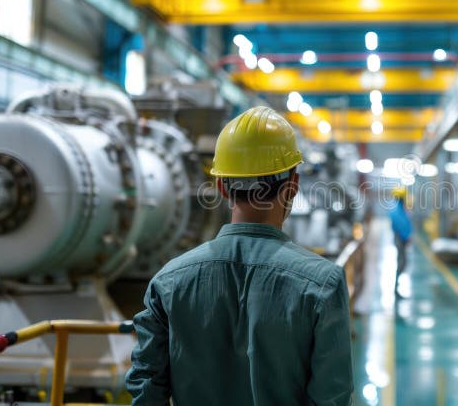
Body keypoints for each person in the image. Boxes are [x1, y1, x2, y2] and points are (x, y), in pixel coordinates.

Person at [126, 106, 354, 406]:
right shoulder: (322, 284)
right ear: (292, 186)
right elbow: (331, 398)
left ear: (222, 186)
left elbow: (146, 391)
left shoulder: (168, 282)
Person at [389, 186, 412, 295]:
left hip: (402, 239)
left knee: (403, 261)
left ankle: (396, 287)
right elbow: (400, 224)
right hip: (400, 239)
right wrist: (406, 236)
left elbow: (406, 222)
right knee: (401, 262)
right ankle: (395, 288)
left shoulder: (400, 208)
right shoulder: (397, 210)